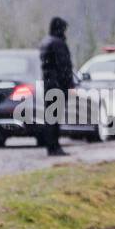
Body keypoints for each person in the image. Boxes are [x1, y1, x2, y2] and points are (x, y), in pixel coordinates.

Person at [38, 16, 75, 156]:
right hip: (57, 85)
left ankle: (51, 145)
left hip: (49, 85)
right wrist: (69, 85)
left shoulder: (45, 43)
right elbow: (64, 67)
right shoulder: (58, 44)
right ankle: (55, 146)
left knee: (50, 117)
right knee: (55, 117)